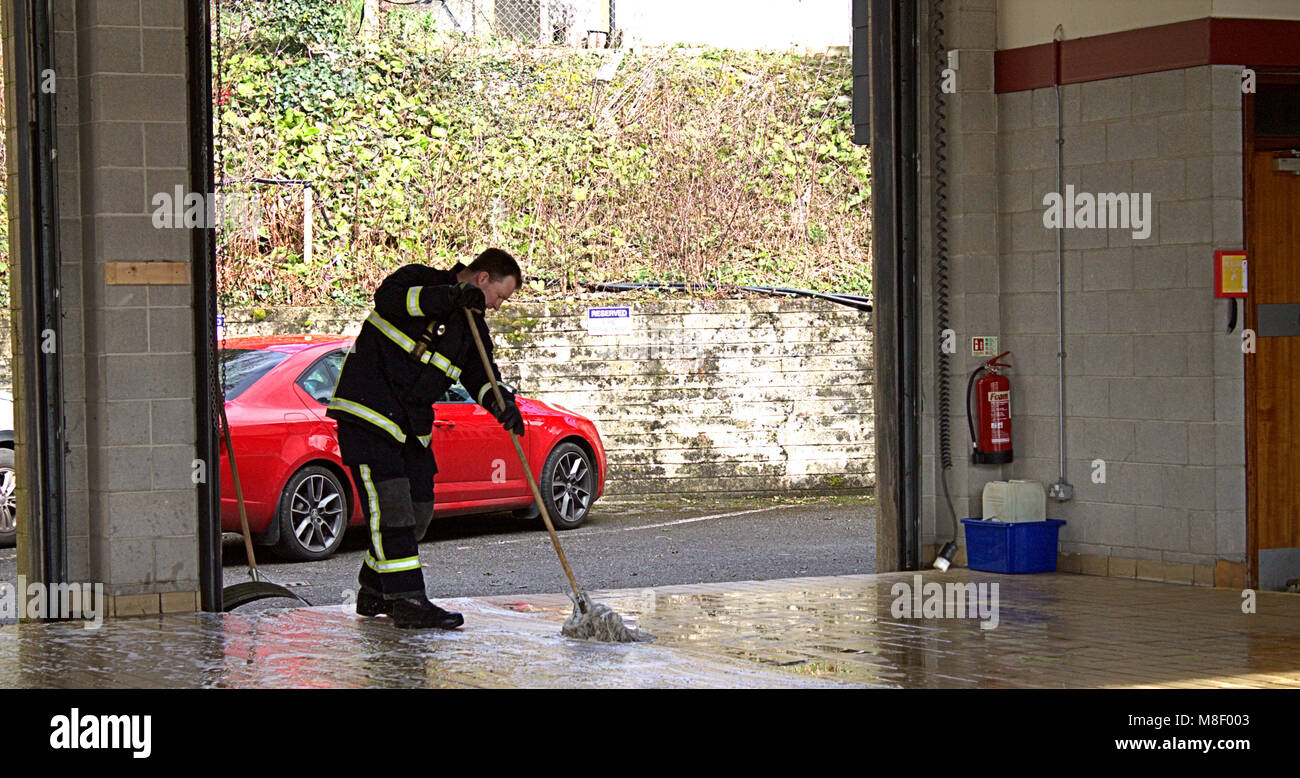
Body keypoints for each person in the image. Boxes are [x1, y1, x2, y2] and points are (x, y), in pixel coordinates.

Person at [327, 248, 525, 629]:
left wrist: (503, 404)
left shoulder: (473, 328)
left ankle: (374, 589)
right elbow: (389, 299)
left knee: (418, 512)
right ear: (482, 277)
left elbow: (482, 377)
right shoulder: (418, 279)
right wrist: (450, 296)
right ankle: (407, 600)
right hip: (370, 414)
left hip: (410, 428)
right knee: (392, 509)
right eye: (499, 295)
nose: (499, 306)